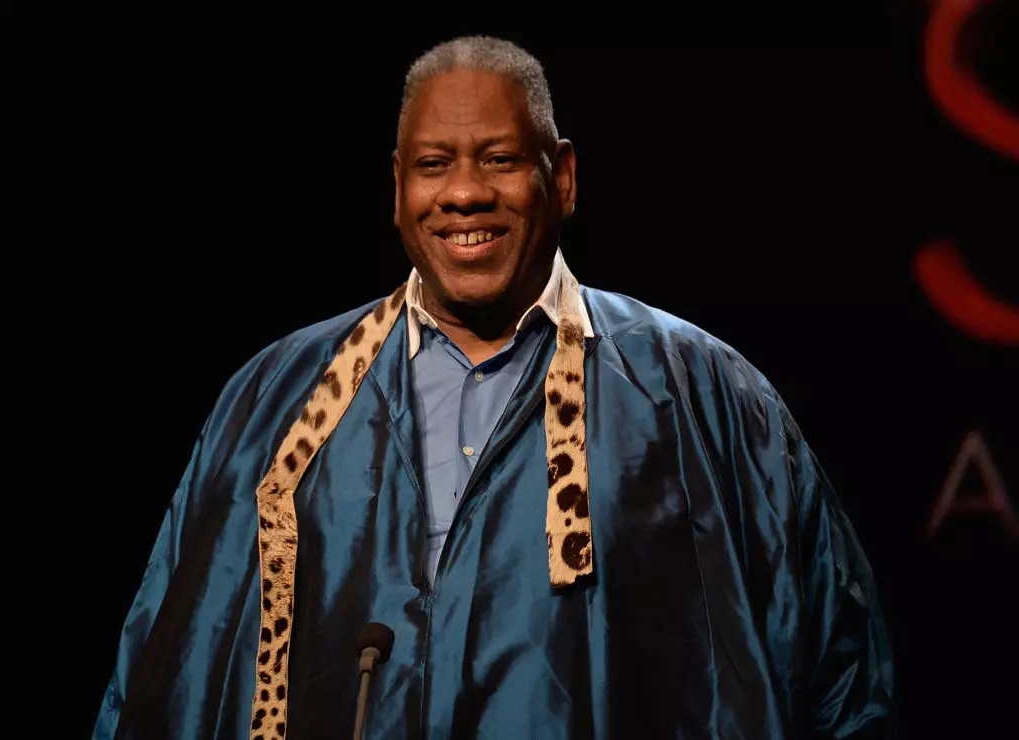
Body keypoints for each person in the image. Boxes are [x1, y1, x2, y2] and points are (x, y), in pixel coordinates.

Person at [94, 36, 894, 739]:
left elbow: (838, 674)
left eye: (501, 159)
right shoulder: (274, 403)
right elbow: (160, 670)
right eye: (435, 165)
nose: (465, 193)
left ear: (564, 177)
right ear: (399, 187)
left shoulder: (698, 393)